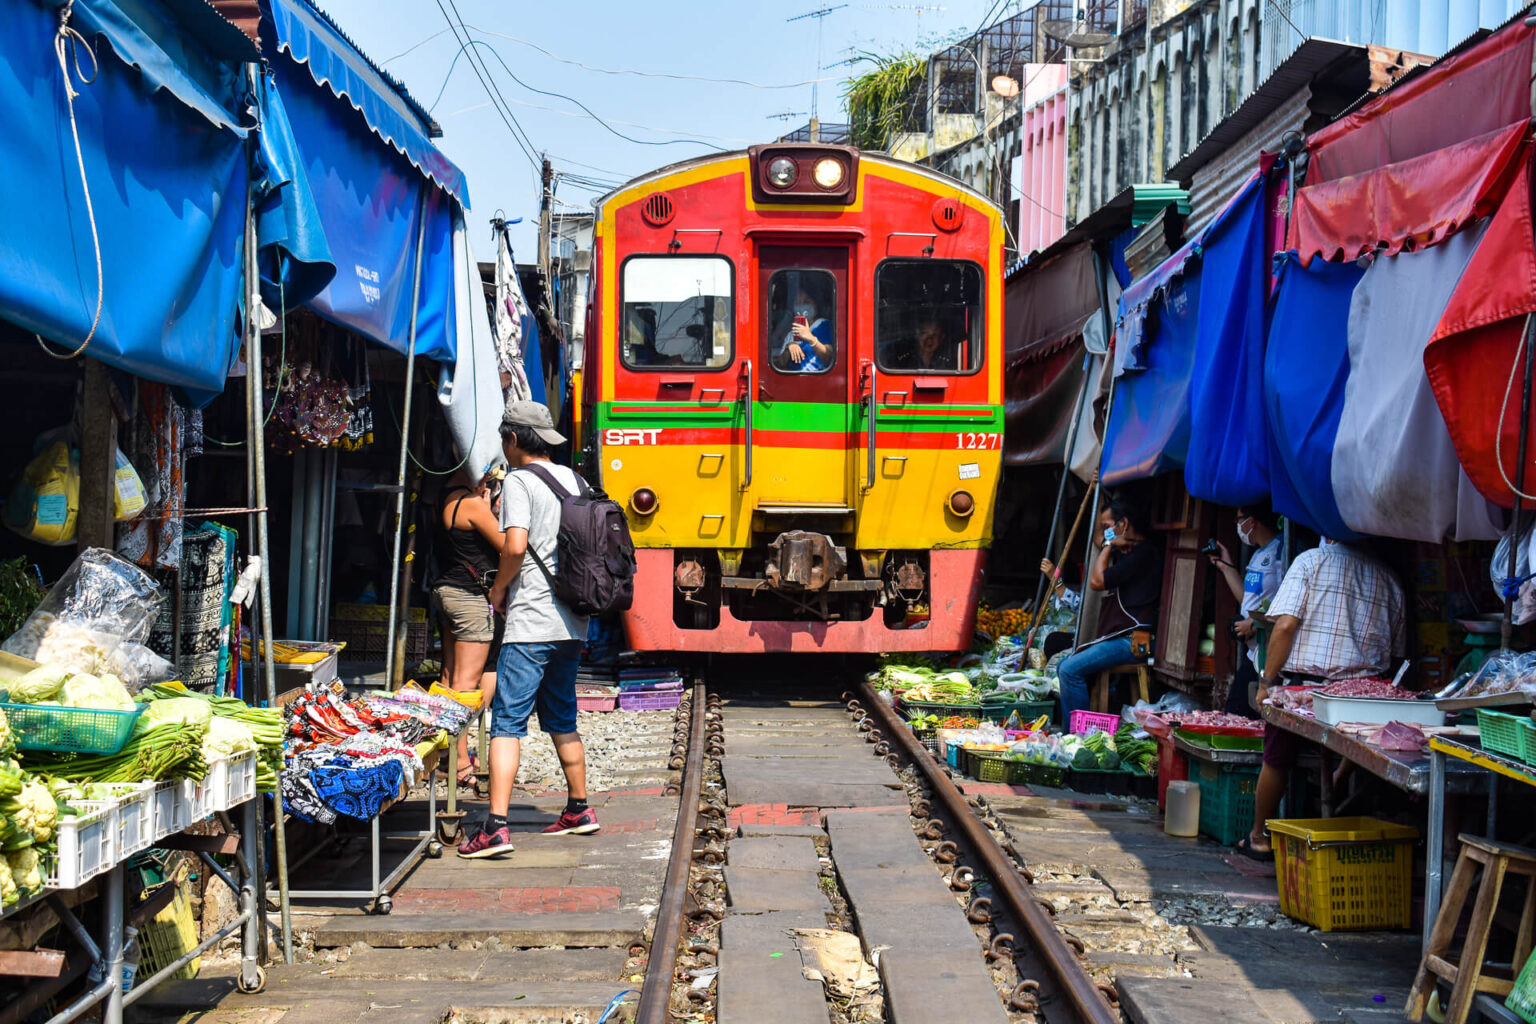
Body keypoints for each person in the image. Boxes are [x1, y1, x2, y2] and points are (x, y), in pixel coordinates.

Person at [458, 402, 600, 858]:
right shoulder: (574, 480)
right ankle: (579, 809)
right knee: (561, 715)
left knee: (508, 723)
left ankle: (495, 828)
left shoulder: (520, 481)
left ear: (513, 440)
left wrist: (499, 589)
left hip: (533, 618)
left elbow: (515, 545)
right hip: (572, 621)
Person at [1235, 538, 1405, 861]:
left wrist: (1266, 682)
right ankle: (1335, 796)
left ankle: (1258, 836)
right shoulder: (1389, 576)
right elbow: (1396, 652)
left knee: (1276, 758)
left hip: (1305, 692)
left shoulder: (1310, 561)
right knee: (1355, 754)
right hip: (1365, 695)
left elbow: (1284, 626)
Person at [1054, 502, 1164, 723]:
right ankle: (1079, 727)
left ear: (1124, 523)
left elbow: (1096, 581)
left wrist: (1107, 546)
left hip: (1135, 642)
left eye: (1109, 526)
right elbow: (1097, 538)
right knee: (1061, 664)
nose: (1105, 531)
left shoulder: (1142, 555)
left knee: (1068, 670)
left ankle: (1079, 735)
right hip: (1121, 637)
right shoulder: (1129, 549)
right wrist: (1108, 537)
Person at [431, 468, 505, 786]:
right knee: (466, 681)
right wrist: (491, 509)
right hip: (470, 598)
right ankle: (460, 761)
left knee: (449, 676)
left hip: (448, 591)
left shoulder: (445, 495)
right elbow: (506, 544)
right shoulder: (472, 504)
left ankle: (449, 750)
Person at [1207, 502, 1283, 718]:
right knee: (1237, 713)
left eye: (1239, 520)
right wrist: (1225, 565)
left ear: (1251, 521)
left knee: (1243, 715)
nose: (1237, 526)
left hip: (1270, 652)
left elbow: (1288, 600)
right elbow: (1247, 600)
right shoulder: (1258, 554)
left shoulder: (1281, 550)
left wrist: (1256, 622)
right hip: (1254, 653)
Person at [778, 288, 834, 372]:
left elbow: (830, 358)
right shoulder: (791, 333)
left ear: (816, 305)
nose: (802, 306)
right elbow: (780, 365)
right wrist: (788, 348)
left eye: (806, 302)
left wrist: (811, 338)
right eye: (798, 303)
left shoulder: (824, 325)